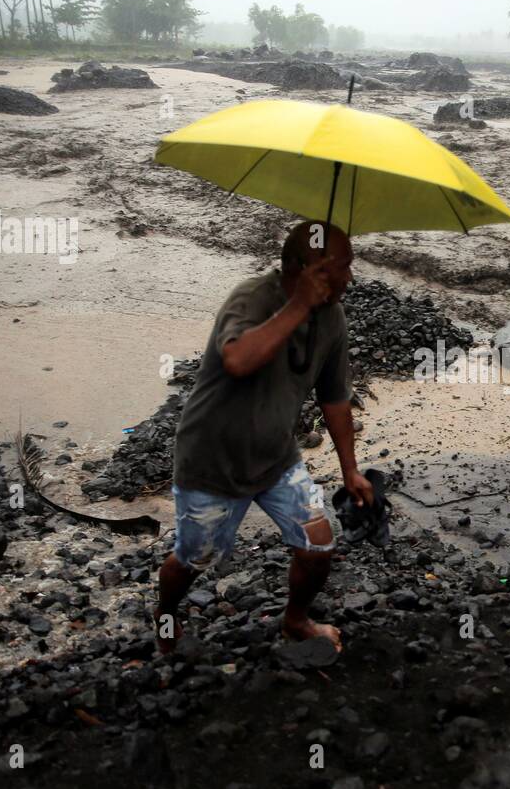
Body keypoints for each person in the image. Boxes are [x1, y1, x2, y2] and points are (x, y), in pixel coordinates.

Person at [154, 220, 374, 655]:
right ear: (306, 270)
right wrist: (298, 305)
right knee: (193, 559)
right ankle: (165, 619)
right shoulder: (252, 297)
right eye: (342, 267)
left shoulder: (332, 317)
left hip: (277, 461)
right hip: (212, 462)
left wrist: (351, 470)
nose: (350, 277)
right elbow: (237, 359)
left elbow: (334, 399)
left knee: (318, 543)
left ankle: (295, 620)